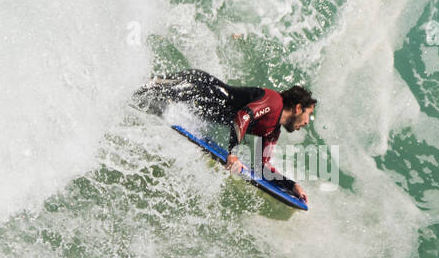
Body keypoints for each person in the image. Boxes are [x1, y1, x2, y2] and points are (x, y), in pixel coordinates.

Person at [133, 69, 316, 203]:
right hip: (199, 87)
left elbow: (262, 167)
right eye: (308, 113)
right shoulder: (274, 101)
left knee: (143, 104)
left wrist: (291, 185)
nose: (307, 121)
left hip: (197, 105)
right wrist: (233, 153)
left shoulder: (272, 131)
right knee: (137, 90)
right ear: (298, 108)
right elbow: (242, 116)